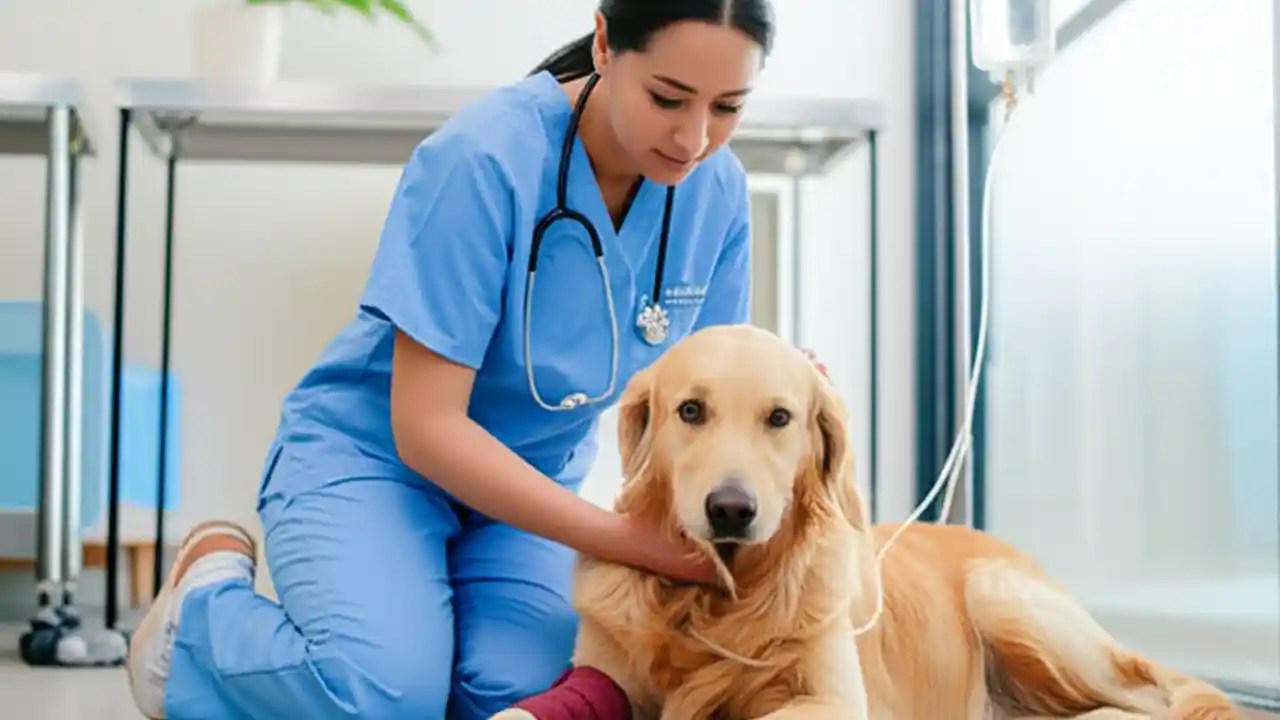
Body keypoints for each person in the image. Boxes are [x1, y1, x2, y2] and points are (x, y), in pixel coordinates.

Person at [126, 1, 778, 718]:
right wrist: (627, 541)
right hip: (375, 461)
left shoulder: (716, 191)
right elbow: (427, 427)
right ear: (603, 44)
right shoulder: (484, 158)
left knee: (518, 695)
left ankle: (416, 638)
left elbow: (710, 399)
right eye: (667, 98)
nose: (693, 138)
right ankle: (201, 617)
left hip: (528, 490)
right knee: (381, 693)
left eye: (728, 108)